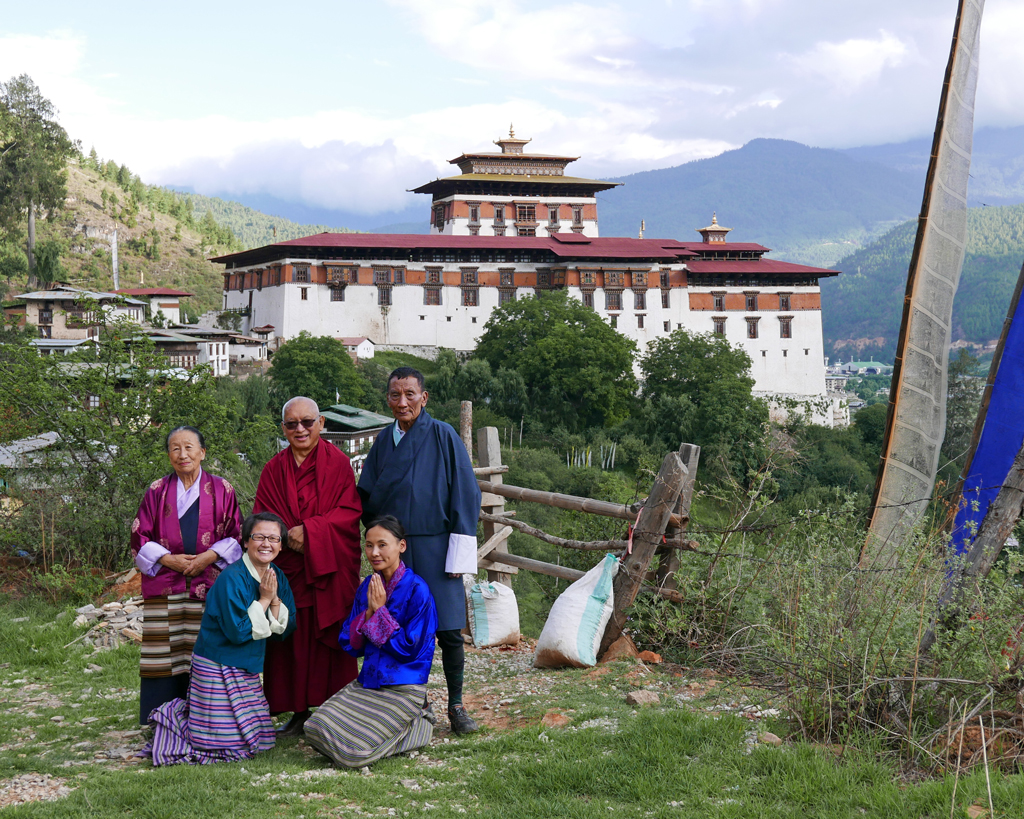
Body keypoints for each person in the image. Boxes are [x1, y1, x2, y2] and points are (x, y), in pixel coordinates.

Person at [357, 367, 482, 734]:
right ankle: (414, 704)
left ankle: (456, 706)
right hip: (394, 553)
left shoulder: (443, 435)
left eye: (410, 394)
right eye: (395, 395)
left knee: (447, 628)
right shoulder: (383, 441)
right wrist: (379, 546)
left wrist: (459, 553)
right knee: (397, 627)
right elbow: (367, 496)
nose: (402, 402)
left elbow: (466, 492)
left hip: (437, 545)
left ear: (423, 398)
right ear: (388, 399)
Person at [146, 512, 297, 766]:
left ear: (281, 545)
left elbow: (287, 625)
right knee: (224, 745)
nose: (266, 544)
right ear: (245, 542)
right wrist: (263, 599)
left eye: (273, 538)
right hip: (216, 663)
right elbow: (237, 631)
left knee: (260, 741)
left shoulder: (276, 576)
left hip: (246, 664)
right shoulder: (231, 578)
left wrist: (274, 599)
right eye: (258, 537)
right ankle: (172, 718)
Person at [253, 396, 362, 735]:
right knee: (291, 637)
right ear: (283, 428)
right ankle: (298, 710)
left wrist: (311, 532)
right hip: (290, 568)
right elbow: (263, 516)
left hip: (328, 568)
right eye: (291, 423)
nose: (300, 429)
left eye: (307, 422)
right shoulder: (273, 469)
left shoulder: (339, 463)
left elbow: (349, 513)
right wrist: (288, 536)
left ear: (321, 424)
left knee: (328, 636)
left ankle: (335, 710)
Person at [130, 425, 243, 724]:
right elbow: (139, 536)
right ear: (169, 455)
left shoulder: (222, 489)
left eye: (189, 447)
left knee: (204, 651)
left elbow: (237, 535)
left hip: (209, 583)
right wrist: (169, 560)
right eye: (175, 448)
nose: (183, 454)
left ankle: (206, 718)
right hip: (166, 582)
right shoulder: (157, 490)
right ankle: (160, 717)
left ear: (202, 452)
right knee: (164, 655)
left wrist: (210, 555)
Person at [304, 515, 438, 767]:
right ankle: (395, 729)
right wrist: (368, 613)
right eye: (368, 545)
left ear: (401, 546)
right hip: (367, 684)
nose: (374, 552)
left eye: (382, 545)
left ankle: (419, 725)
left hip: (403, 688)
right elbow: (349, 643)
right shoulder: (367, 585)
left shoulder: (418, 589)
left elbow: (411, 649)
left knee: (352, 755)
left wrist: (380, 613)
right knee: (314, 727)